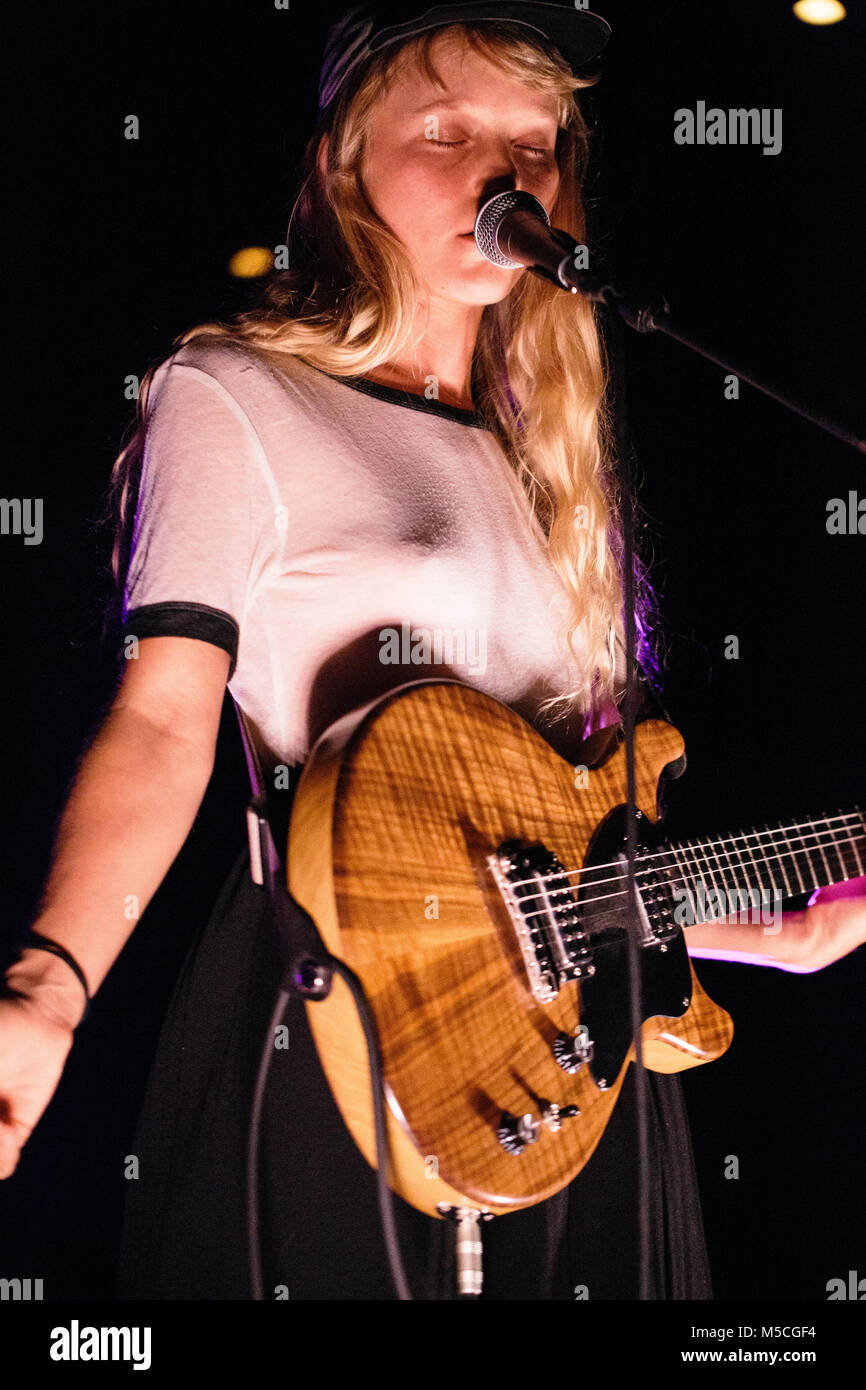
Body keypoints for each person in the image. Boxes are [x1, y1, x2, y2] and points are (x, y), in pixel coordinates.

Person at [2, 1, 864, 1301]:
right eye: (448, 133)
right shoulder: (237, 392)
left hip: (570, 1068)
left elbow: (553, 857)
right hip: (341, 1007)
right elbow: (166, 718)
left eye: (535, 144)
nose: (503, 175)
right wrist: (49, 984)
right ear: (344, 162)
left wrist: (762, 930)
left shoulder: (545, 457)